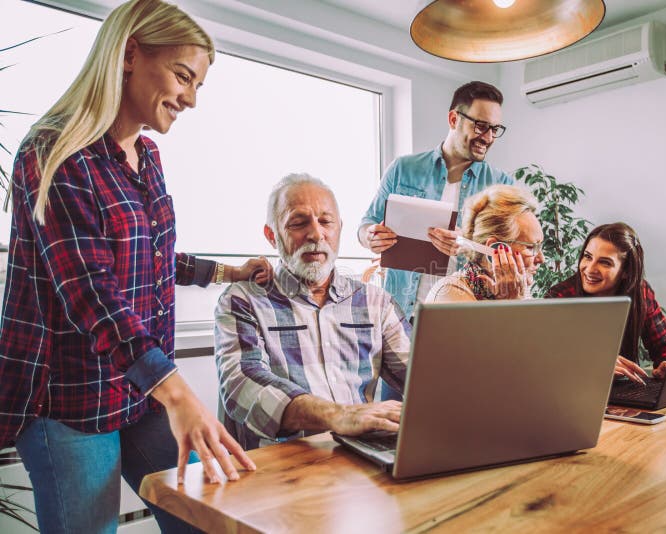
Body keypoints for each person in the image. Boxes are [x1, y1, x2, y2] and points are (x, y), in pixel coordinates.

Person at [0, 1, 272, 532]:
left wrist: (226, 273)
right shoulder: (53, 151)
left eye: (198, 85)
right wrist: (178, 393)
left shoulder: (146, 156)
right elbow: (90, 290)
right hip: (70, 402)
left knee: (207, 519)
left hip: (137, 393)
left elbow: (147, 255)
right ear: (129, 55)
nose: (190, 99)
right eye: (182, 76)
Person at [215, 173, 410, 450]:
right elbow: (243, 384)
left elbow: (423, 380)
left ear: (339, 229)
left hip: (361, 459)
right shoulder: (244, 300)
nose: (316, 234)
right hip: (280, 469)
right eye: (298, 223)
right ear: (272, 236)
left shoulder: (375, 302)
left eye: (326, 222)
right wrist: (338, 415)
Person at [359, 81, 514, 319]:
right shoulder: (403, 168)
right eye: (481, 126)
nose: (489, 137)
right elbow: (366, 224)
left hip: (463, 317)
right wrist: (370, 236)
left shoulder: (500, 185)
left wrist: (467, 244)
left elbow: (506, 253)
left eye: (495, 129)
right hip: (398, 314)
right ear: (454, 119)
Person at [545, 222, 666, 383]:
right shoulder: (559, 297)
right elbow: (548, 360)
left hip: (623, 393)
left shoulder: (640, 293)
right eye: (587, 256)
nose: (590, 269)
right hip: (575, 391)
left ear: (626, 272)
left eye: (605, 262)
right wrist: (595, 365)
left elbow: (665, 346)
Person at [427, 185, 545, 302]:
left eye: (540, 246)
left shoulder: (520, 291)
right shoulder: (449, 293)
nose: (541, 259)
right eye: (530, 247)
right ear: (496, 248)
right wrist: (511, 303)